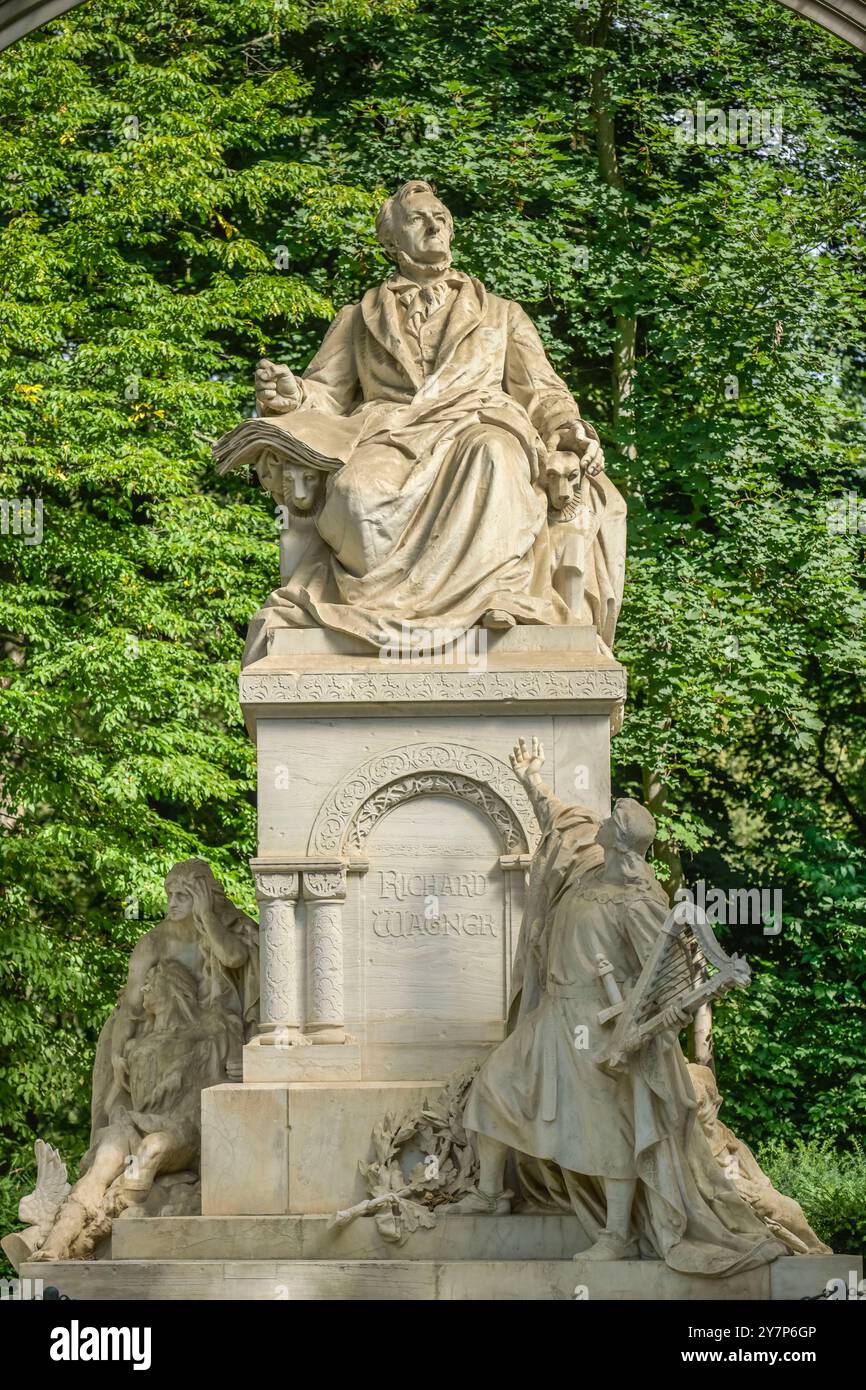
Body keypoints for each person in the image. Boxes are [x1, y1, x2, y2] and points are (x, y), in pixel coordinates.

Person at [243, 180, 625, 658]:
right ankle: (381, 609)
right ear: (391, 242)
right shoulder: (358, 317)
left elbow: (543, 391)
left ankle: (496, 596)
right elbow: (326, 392)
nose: (433, 225)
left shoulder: (501, 314)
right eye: (417, 219)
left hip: (476, 423)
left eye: (440, 217)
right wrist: (291, 393)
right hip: (392, 433)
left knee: (494, 457)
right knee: (354, 492)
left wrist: (568, 430)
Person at [458, 738, 787, 1277]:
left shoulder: (638, 901)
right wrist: (531, 779)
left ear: (622, 840)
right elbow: (564, 821)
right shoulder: (589, 864)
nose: (600, 822)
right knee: (496, 1085)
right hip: (554, 1014)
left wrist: (644, 1022)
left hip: (598, 1024)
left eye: (610, 820)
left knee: (606, 1129)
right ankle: (491, 1193)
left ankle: (616, 1234)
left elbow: (667, 970)